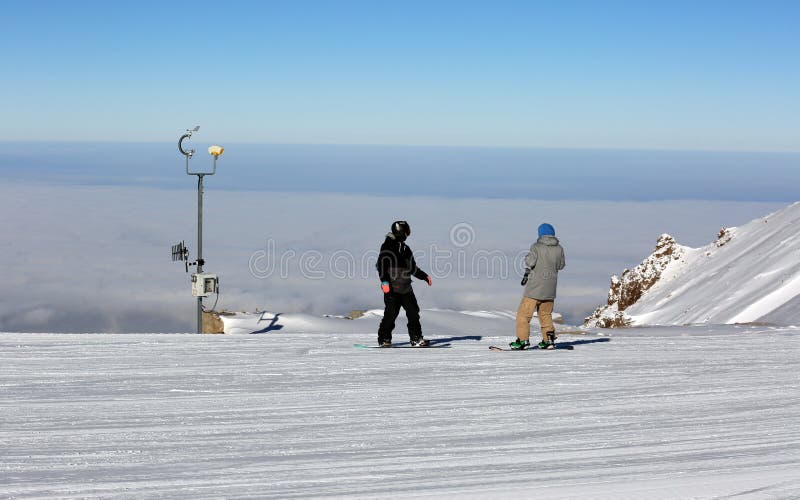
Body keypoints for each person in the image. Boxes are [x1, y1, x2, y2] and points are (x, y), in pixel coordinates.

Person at [375, 220, 432, 347]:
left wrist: (424, 276)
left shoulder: (406, 249)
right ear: (401, 232)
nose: (407, 234)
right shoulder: (387, 246)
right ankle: (384, 339)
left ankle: (416, 339)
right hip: (392, 288)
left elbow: (412, 268)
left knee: (413, 312)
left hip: (406, 287)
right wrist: (384, 282)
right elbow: (381, 265)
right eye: (406, 232)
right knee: (391, 314)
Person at [510, 223, 566, 350]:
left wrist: (527, 257)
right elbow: (561, 265)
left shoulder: (536, 247)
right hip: (550, 289)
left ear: (540, 234)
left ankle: (522, 341)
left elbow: (530, 262)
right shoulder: (559, 249)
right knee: (545, 315)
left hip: (534, 288)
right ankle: (548, 340)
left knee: (523, 314)